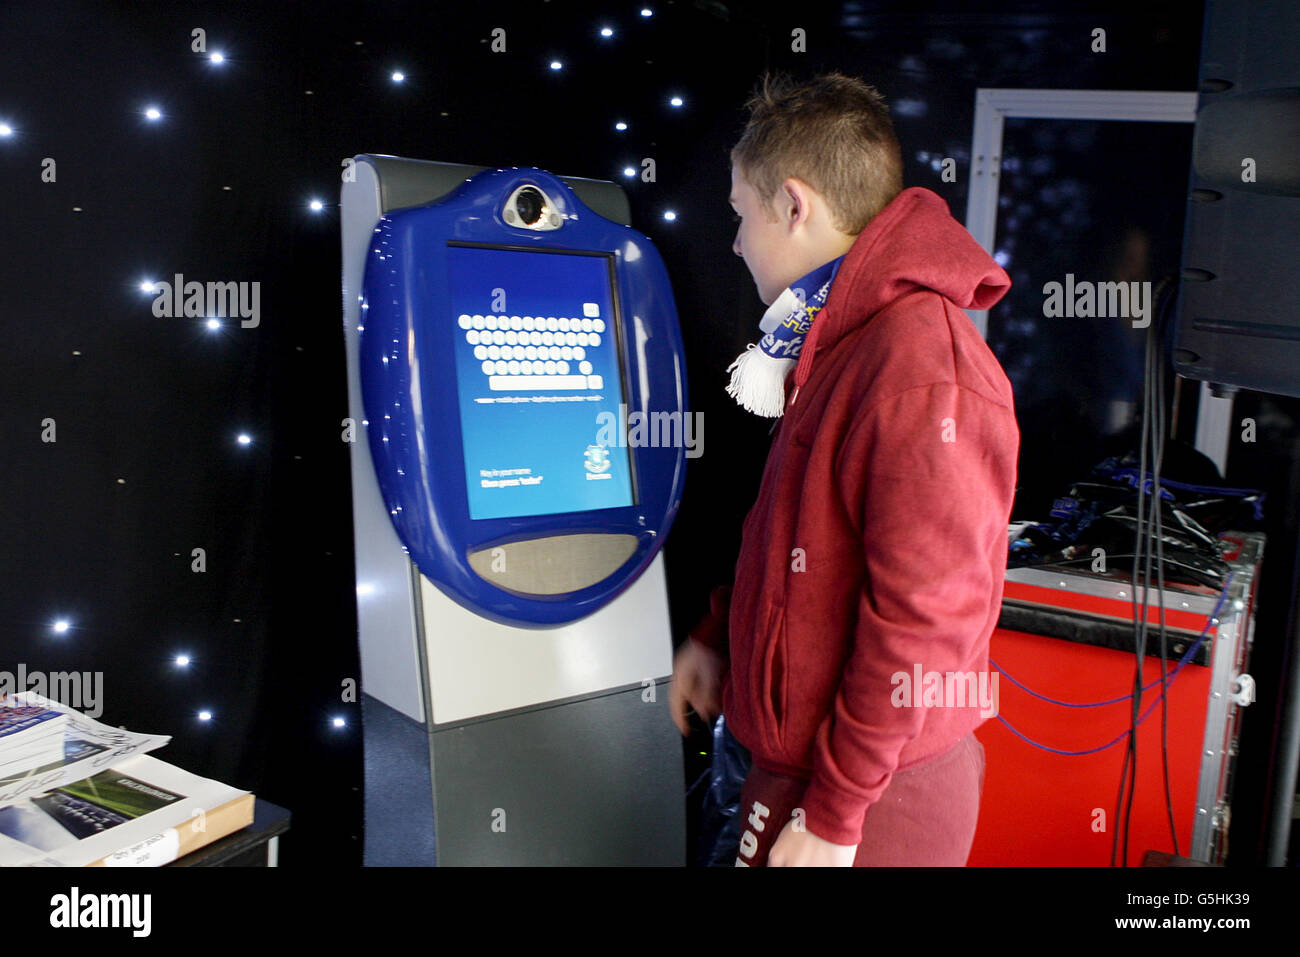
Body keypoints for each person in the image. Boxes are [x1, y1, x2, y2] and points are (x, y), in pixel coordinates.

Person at [670, 72, 1020, 867]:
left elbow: (927, 623)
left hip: (864, 801)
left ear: (794, 205)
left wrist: (834, 814)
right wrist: (720, 633)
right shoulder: (844, 338)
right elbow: (799, 539)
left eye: (740, 214)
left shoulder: (922, 368)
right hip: (785, 769)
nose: (733, 243)